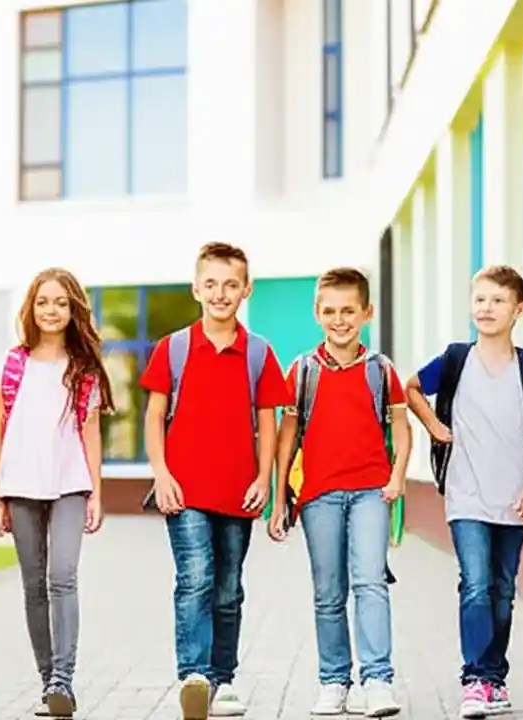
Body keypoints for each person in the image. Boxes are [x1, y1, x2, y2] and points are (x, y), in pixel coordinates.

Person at [140, 242, 294, 720]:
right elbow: (154, 416)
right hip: (184, 490)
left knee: (228, 587)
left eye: (230, 284)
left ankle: (224, 679)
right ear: (196, 289)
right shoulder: (175, 348)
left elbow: (269, 421)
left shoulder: (259, 353)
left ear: (246, 289)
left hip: (238, 490)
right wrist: (161, 474)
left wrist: (266, 480)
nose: (220, 293)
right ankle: (194, 676)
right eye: (211, 284)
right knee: (196, 579)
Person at [404, 265, 523, 719]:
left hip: (515, 497)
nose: (486, 308)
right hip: (466, 497)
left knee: (502, 588)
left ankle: (494, 677)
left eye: (497, 300)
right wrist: (434, 425)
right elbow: (410, 387)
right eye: (479, 299)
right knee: (474, 584)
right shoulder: (456, 359)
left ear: (518, 309)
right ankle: (476, 680)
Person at [268, 267, 408, 717]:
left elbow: (402, 429)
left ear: (366, 312)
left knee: (370, 583)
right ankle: (334, 681)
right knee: (329, 592)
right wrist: (279, 499)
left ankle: (378, 680)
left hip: (370, 491)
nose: (339, 319)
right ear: (317, 313)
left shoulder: (381, 371)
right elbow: (287, 437)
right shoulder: (302, 371)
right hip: (318, 497)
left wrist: (398, 477)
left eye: (349, 310)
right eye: (330, 311)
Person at [0, 267, 116, 718]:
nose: (52, 310)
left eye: (61, 302)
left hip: (70, 485)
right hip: (19, 485)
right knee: (33, 585)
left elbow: (91, 432)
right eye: (43, 302)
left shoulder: (83, 368)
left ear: (73, 308)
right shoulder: (10, 364)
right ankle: (48, 683)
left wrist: (96, 493)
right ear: (30, 308)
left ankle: (64, 678)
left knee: (63, 576)